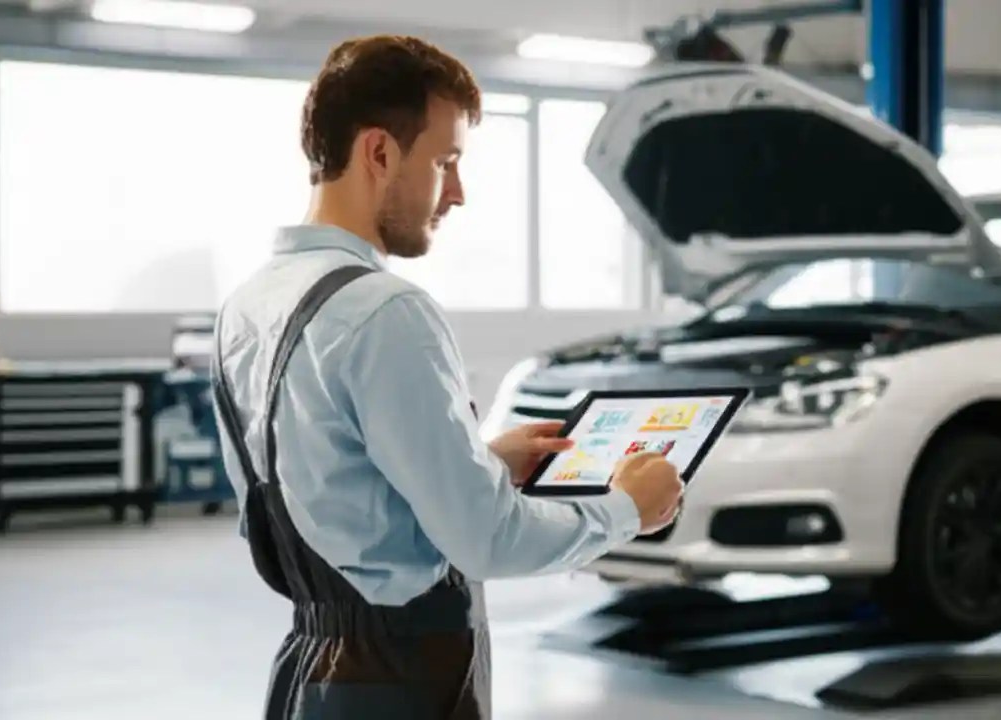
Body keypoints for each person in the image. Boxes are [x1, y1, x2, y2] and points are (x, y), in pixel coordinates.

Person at [211, 34, 684, 720]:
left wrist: (477, 463)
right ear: (379, 152)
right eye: (446, 160)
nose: (457, 193)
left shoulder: (247, 305)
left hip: (308, 672)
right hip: (402, 676)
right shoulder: (387, 310)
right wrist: (626, 511)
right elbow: (486, 539)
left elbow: (315, 483)